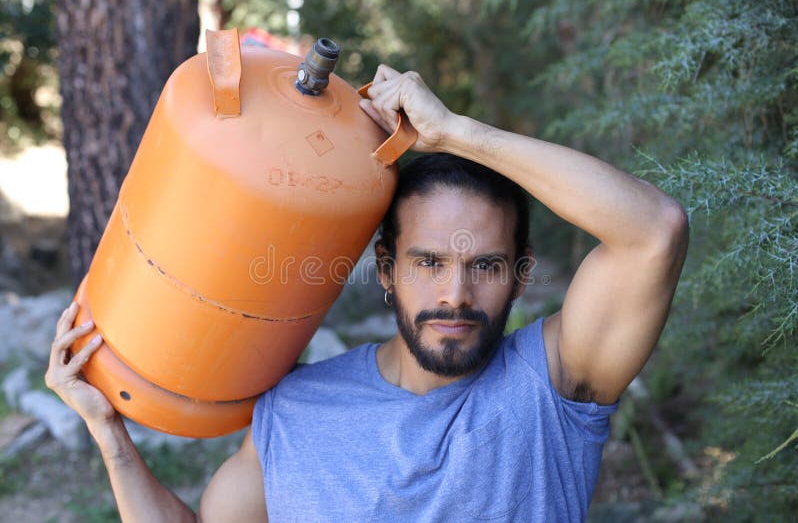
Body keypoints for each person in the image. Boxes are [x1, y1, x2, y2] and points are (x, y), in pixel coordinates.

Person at [46, 64, 688, 522]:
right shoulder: (294, 409)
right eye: (428, 262)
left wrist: (455, 133)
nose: (455, 294)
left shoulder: (553, 387)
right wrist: (111, 436)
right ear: (386, 269)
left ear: (521, 274)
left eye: (486, 266)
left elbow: (654, 232)